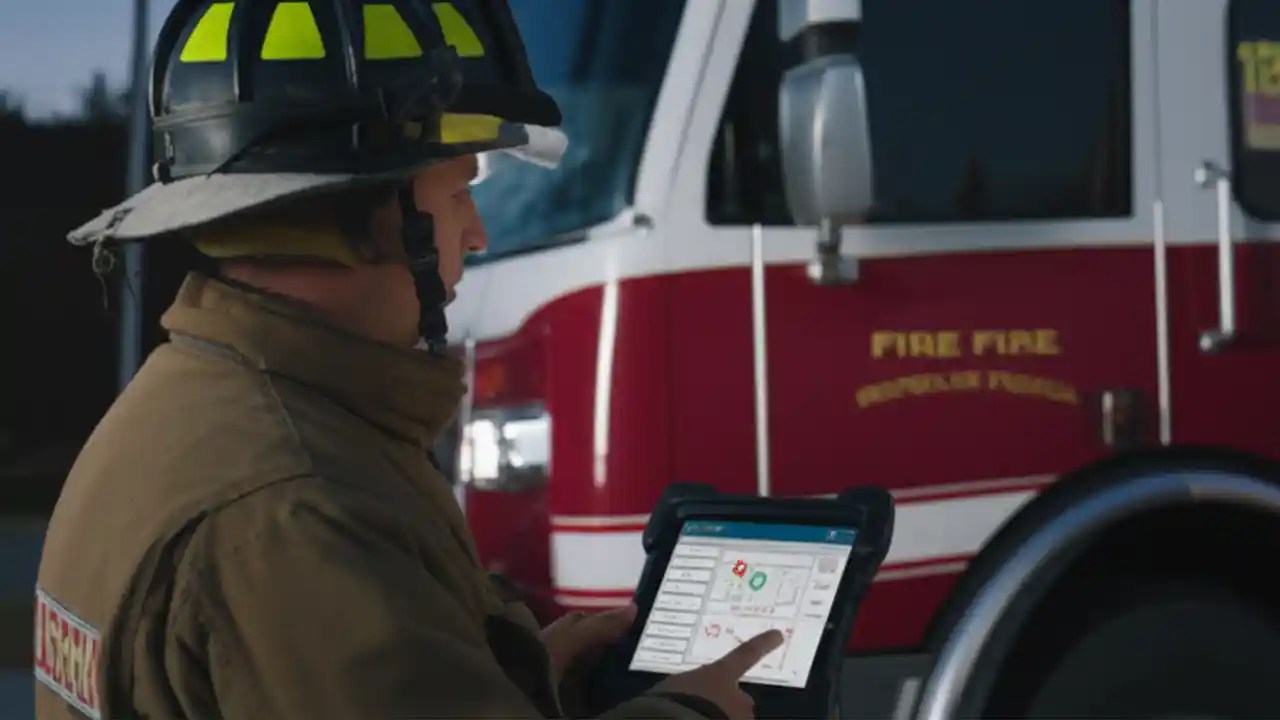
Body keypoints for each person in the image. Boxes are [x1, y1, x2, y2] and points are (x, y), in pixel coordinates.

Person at [33, 1, 784, 719]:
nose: (477, 235)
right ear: (365, 216)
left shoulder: (194, 403)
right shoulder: (296, 509)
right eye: (457, 194)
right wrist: (694, 711)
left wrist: (509, 676)